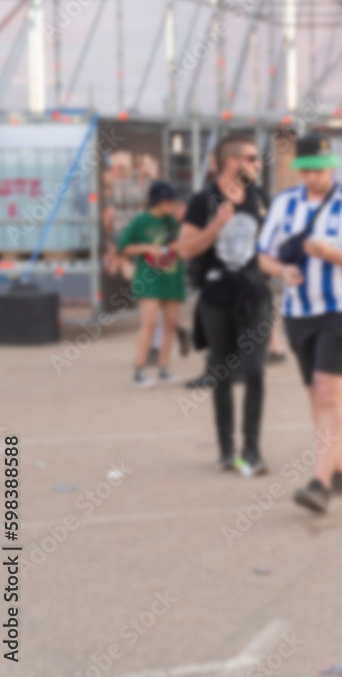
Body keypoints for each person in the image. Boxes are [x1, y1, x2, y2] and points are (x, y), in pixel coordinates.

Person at [257, 134, 342, 513]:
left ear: (331, 167)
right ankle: (340, 468)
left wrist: (331, 254)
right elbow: (264, 257)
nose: (313, 177)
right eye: (306, 171)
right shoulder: (284, 204)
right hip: (299, 313)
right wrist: (283, 270)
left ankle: (320, 482)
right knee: (316, 394)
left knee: (329, 392)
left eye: (319, 170)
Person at [177, 133, 272, 475]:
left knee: (256, 371)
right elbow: (185, 248)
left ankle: (251, 449)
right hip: (216, 298)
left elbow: (271, 245)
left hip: (254, 297)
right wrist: (216, 225)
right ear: (232, 161)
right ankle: (226, 450)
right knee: (221, 372)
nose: (257, 164)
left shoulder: (260, 198)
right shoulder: (203, 201)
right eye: (251, 157)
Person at [117, 180, 185, 387]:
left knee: (171, 324)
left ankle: (164, 369)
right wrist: (146, 247)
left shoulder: (174, 222)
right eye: (168, 201)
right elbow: (123, 247)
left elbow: (185, 243)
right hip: (149, 280)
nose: (171, 205)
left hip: (172, 278)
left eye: (173, 201)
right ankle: (139, 370)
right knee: (150, 323)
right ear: (157, 200)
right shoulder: (141, 221)